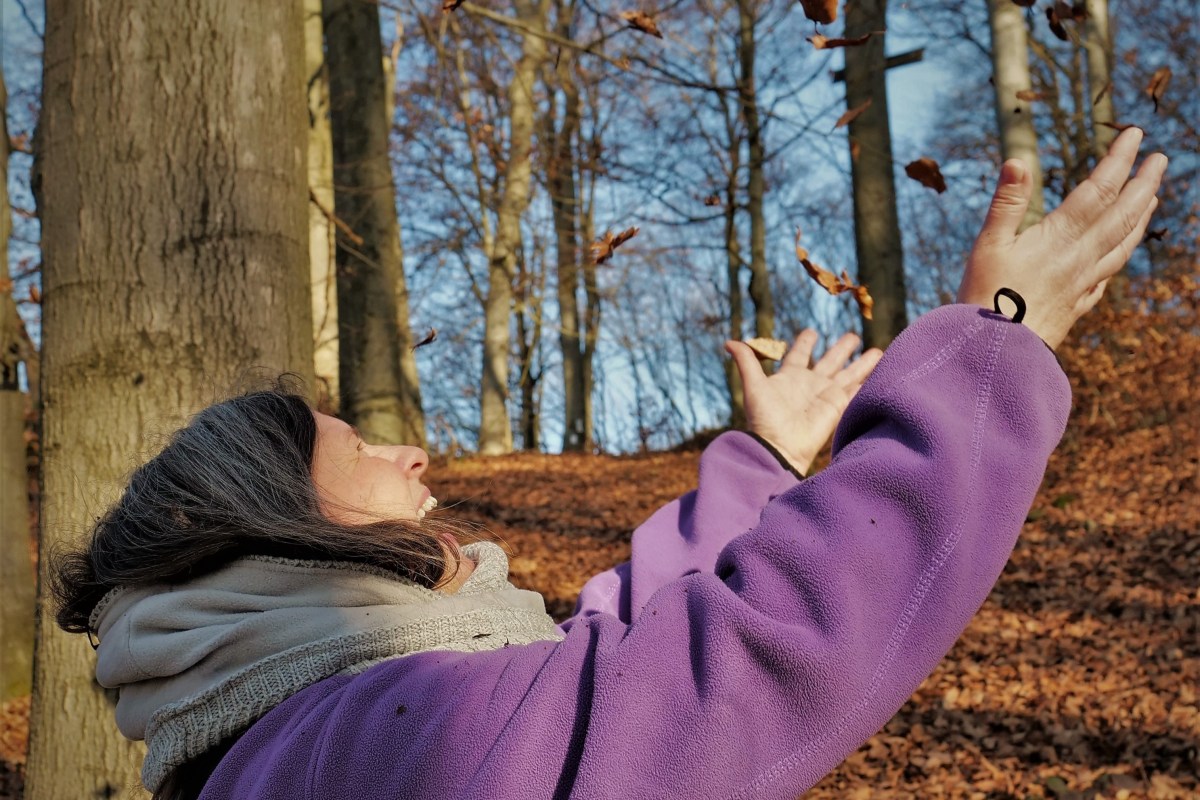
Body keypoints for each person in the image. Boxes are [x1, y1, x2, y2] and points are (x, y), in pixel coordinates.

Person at [51, 127, 1165, 800]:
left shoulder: (292, 739)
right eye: (355, 442)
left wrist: (763, 457)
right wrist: (995, 345)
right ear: (273, 521)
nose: (409, 447)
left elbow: (588, 664)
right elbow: (720, 672)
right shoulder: (358, 744)